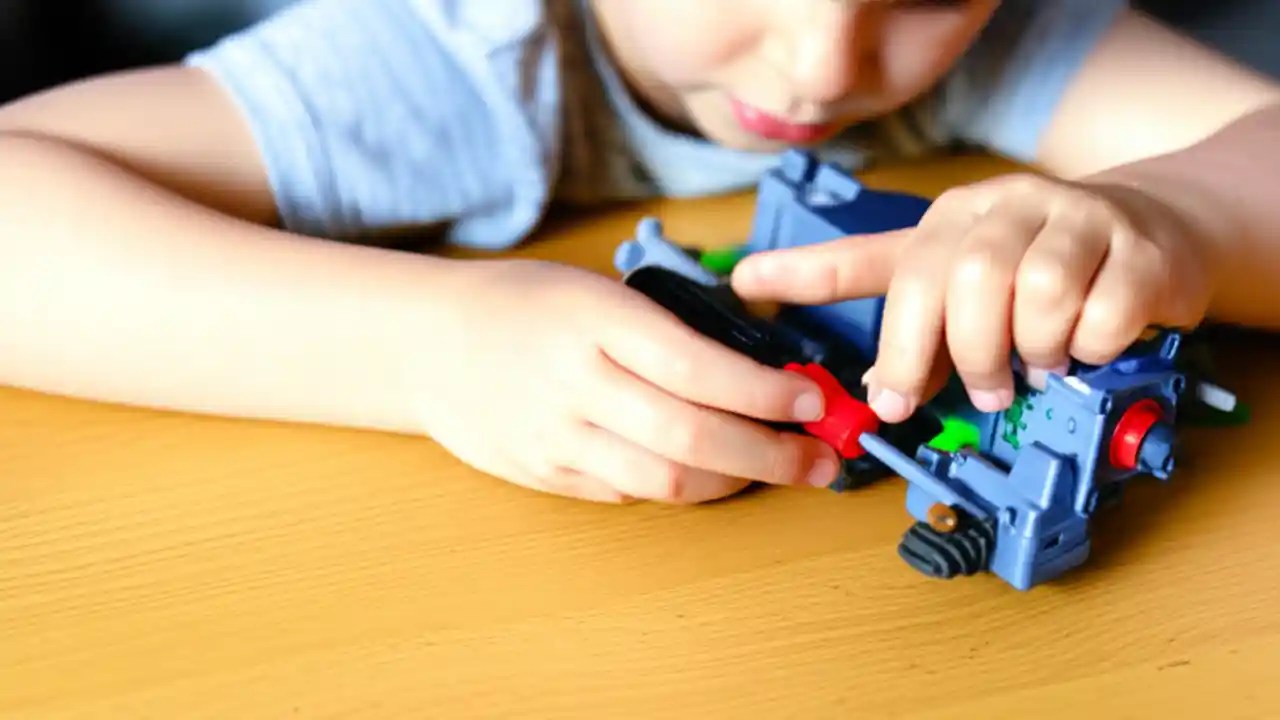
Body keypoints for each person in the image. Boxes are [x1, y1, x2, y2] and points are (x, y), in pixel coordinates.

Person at [0, 0, 1276, 506]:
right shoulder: (453, 58)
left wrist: (1176, 218)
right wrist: (422, 347)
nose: (823, 61)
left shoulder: (1009, 31)